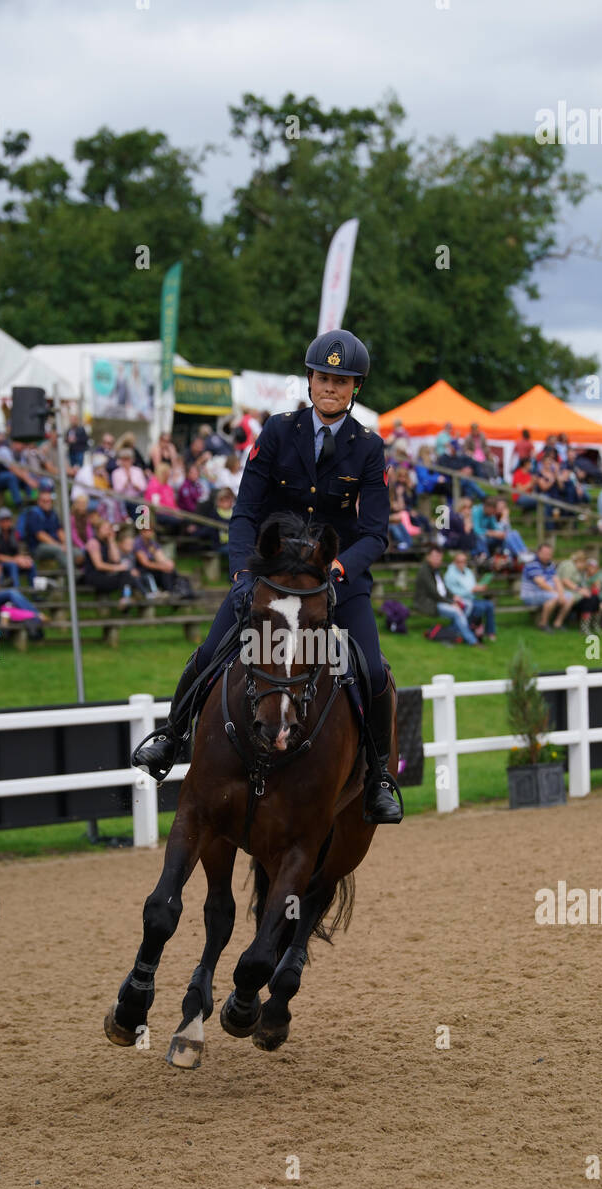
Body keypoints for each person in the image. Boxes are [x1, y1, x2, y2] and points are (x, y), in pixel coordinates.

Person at [134, 328, 402, 824]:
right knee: (211, 651)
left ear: (355, 388)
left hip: (335, 582)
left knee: (373, 670)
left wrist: (340, 567)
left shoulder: (368, 447)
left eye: (342, 382)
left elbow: (376, 533)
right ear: (309, 380)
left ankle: (380, 775)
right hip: (270, 578)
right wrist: (241, 571)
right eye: (324, 377)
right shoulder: (278, 432)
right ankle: (171, 737)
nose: (331, 388)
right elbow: (244, 513)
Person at [520, 542, 574, 631]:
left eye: (549, 554)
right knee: (554, 597)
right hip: (531, 595)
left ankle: (558, 623)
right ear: (538, 553)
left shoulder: (550, 564)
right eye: (544, 554)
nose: (547, 556)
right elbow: (542, 584)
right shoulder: (532, 564)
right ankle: (543, 623)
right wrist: (558, 594)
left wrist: (561, 594)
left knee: (570, 597)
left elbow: (557, 581)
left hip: (546, 593)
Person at [444, 551, 497, 641]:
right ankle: (470, 630)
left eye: (464, 561)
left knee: (489, 605)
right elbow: (451, 593)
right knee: (479, 608)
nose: (462, 564)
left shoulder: (468, 571)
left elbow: (473, 586)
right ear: (454, 562)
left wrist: (479, 587)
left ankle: (490, 632)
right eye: (459, 561)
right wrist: (471, 590)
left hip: (471, 598)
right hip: (459, 601)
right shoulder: (450, 575)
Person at [556, 550, 602, 634]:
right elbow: (565, 580)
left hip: (573, 592)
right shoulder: (569, 565)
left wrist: (586, 589)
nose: (584, 567)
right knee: (588, 598)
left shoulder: (577, 569)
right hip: (563, 592)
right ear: (580, 561)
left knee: (595, 598)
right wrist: (580, 590)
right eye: (584, 564)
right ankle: (584, 628)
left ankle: (593, 625)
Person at [81, 515, 130, 595]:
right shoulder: (93, 543)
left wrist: (111, 540)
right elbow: (99, 565)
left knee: (126, 574)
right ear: (98, 530)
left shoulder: (107, 542)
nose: (109, 531)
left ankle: (126, 597)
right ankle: (125, 597)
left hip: (105, 574)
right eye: (106, 529)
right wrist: (117, 568)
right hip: (94, 576)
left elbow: (116, 559)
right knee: (125, 576)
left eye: (109, 528)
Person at [24, 485, 67, 568]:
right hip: (37, 548)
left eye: (49, 501)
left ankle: (80, 574)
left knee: (77, 552)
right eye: (44, 501)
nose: (47, 503)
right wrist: (59, 546)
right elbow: (40, 535)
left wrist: (65, 544)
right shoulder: (34, 514)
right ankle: (74, 574)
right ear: (39, 502)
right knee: (59, 550)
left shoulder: (53, 513)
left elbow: (59, 530)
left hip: (55, 545)